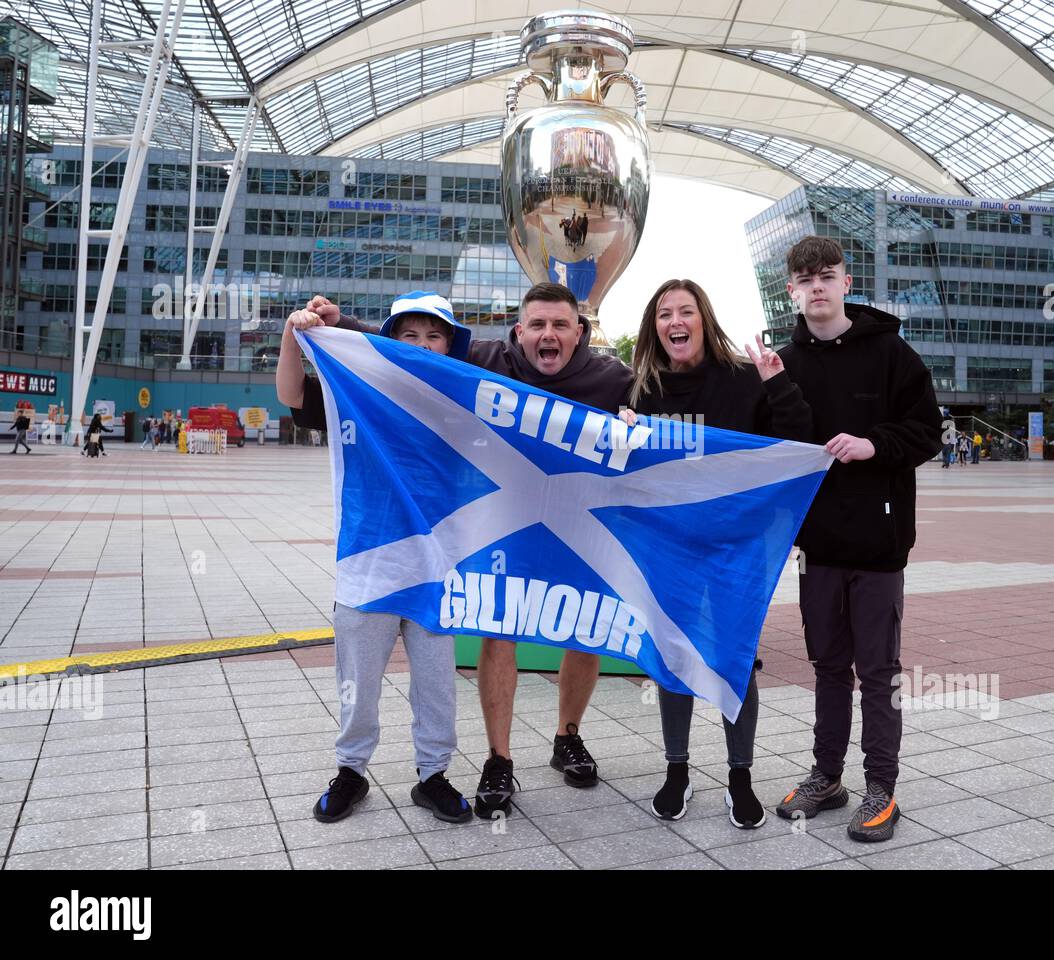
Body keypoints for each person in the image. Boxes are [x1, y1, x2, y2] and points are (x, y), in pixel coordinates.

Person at [297, 283, 634, 820]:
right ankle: (492, 760)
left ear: (580, 332)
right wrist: (338, 327)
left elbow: (667, 420)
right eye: (537, 325)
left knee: (583, 629)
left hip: (571, 529)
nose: (548, 334)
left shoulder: (615, 379)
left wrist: (639, 427)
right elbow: (404, 347)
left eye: (560, 325)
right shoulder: (480, 362)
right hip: (484, 534)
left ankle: (563, 737)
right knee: (495, 635)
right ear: (518, 333)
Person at [278, 290, 478, 826]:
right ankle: (351, 771)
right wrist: (292, 336)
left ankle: (433, 775)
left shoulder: (465, 401)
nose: (422, 345)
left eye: (434, 335)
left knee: (436, 685)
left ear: (450, 345)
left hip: (437, 569)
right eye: (408, 335)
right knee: (358, 682)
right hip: (368, 564)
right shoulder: (358, 392)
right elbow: (293, 396)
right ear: (388, 343)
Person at [621, 278, 813, 829]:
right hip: (669, 548)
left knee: (734, 658)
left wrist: (776, 381)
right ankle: (677, 771)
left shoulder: (743, 380)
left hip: (734, 548)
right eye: (664, 313)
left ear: (702, 318)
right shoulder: (643, 390)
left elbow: (796, 444)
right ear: (654, 327)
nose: (674, 321)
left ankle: (740, 776)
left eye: (684, 311)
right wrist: (622, 433)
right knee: (674, 656)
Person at [772, 235, 943, 843]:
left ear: (847, 283)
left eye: (828, 276)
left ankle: (881, 787)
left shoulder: (892, 354)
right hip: (818, 546)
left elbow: (928, 433)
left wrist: (875, 445)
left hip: (878, 543)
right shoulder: (782, 364)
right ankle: (827, 776)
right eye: (805, 279)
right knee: (826, 669)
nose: (817, 287)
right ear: (790, 291)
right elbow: (766, 445)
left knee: (877, 670)